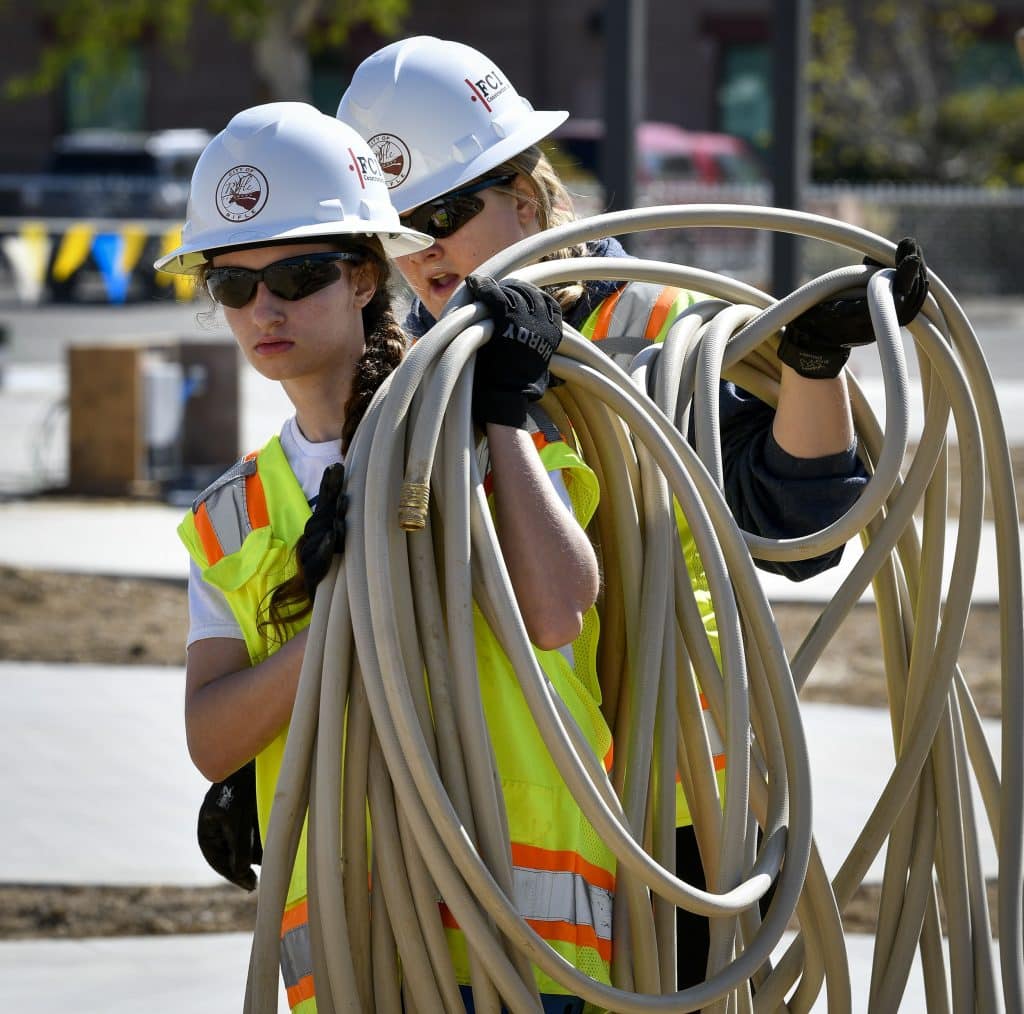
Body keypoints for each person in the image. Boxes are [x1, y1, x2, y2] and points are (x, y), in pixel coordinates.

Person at [336, 35, 929, 993]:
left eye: (443, 214)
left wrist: (813, 367)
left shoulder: (661, 332)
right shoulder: (416, 384)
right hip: (506, 800)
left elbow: (796, 522)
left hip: (678, 804)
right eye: (397, 233)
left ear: (525, 199)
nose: (425, 252)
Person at [160, 101, 617, 1013]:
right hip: (351, 948)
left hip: (525, 945)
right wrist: (349, 619)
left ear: (368, 277)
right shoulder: (235, 514)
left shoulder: (483, 435)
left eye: (298, 273)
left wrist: (502, 416)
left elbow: (559, 610)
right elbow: (213, 741)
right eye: (235, 286)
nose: (267, 308)